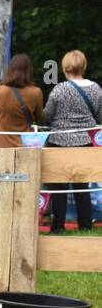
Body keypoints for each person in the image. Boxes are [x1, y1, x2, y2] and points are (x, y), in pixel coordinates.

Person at [0, 54, 45, 232]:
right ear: (28, 71)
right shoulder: (36, 92)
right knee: (22, 184)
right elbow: (39, 117)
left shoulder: (0, 91)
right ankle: (22, 225)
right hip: (24, 144)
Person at [42, 49, 100, 233]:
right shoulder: (96, 89)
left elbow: (47, 115)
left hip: (59, 141)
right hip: (84, 141)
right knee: (81, 185)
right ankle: (85, 225)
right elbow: (99, 115)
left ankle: (58, 226)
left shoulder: (59, 89)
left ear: (65, 67)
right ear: (83, 66)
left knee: (59, 186)